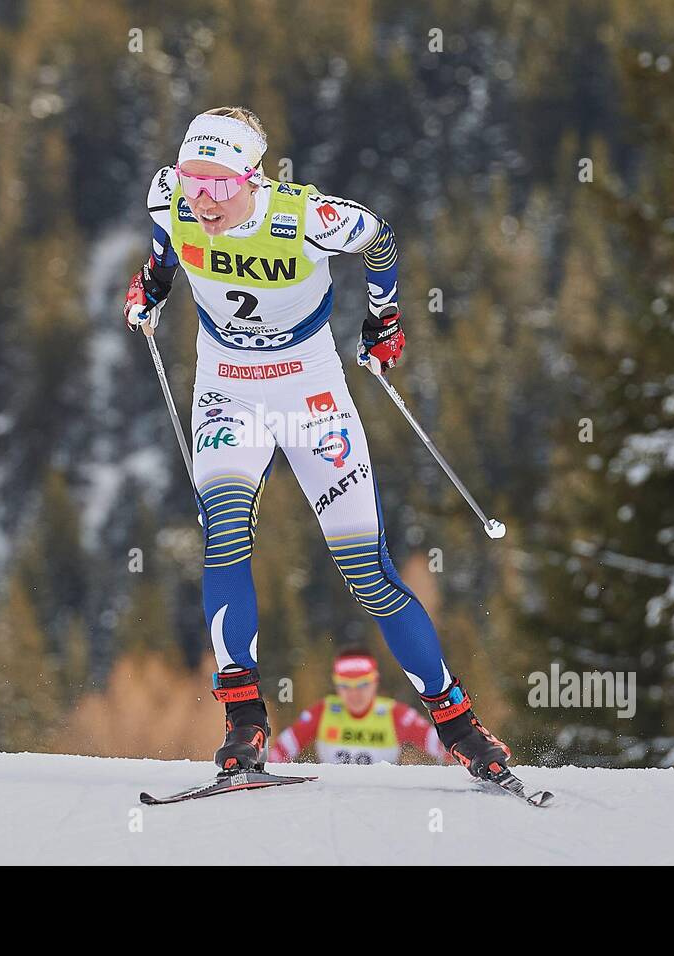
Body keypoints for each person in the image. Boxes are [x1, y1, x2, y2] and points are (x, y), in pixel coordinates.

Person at [123, 106, 515, 785]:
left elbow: (381, 239)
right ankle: (244, 722)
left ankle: (457, 725)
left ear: (253, 177)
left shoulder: (306, 219)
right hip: (228, 393)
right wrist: (151, 289)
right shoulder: (170, 198)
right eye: (193, 181)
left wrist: (384, 319)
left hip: (312, 397)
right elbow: (163, 254)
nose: (203, 200)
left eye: (220, 185)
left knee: (368, 572)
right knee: (224, 535)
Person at [268, 647, 447, 766]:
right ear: (336, 686)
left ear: (375, 683)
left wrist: (461, 761)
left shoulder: (395, 714)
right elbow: (284, 746)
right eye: (346, 686)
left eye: (362, 685)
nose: (354, 694)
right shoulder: (324, 711)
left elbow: (439, 743)